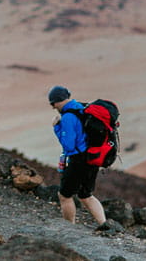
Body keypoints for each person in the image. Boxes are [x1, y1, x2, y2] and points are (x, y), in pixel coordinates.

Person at [48, 85, 107, 225]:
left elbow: (69, 145)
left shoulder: (68, 117)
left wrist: (57, 127)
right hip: (93, 158)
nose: (53, 107)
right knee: (86, 195)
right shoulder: (83, 108)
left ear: (58, 101)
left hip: (78, 160)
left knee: (64, 195)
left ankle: (69, 227)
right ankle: (105, 225)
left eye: (53, 103)